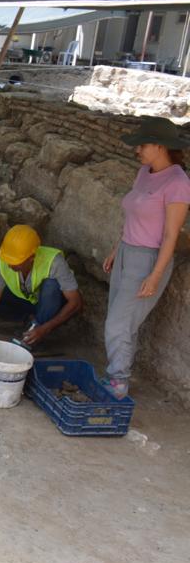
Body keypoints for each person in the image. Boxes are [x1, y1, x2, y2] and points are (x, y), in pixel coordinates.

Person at [102, 117, 190, 398]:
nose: (137, 150)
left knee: (117, 324)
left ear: (160, 146)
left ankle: (117, 382)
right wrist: (118, 249)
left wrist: (155, 275)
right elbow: (133, 216)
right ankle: (118, 377)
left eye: (142, 144)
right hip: (127, 253)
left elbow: (170, 236)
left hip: (149, 261)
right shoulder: (144, 172)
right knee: (125, 323)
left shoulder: (178, 183)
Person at [0, 225, 83, 350]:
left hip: (51, 305)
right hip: (28, 302)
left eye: (16, 262)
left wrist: (45, 328)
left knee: (51, 285)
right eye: (8, 259)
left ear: (31, 258)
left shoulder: (55, 262)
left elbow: (76, 303)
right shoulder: (2, 264)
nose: (10, 265)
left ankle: (35, 333)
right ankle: (28, 322)